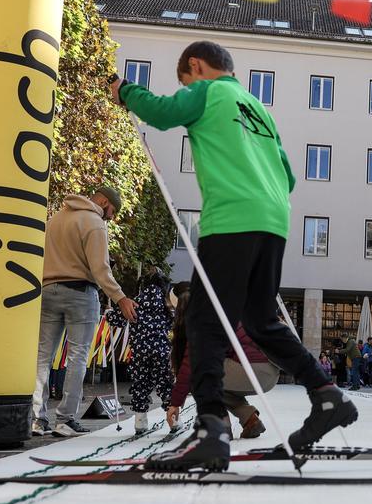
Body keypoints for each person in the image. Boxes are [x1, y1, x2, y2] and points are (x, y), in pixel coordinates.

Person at [112, 40, 356, 469]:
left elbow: (162, 113)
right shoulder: (258, 108)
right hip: (274, 219)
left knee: (203, 322)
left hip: (232, 218)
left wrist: (125, 91)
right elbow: (289, 176)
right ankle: (327, 396)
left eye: (184, 81)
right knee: (262, 320)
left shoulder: (207, 91)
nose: (184, 88)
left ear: (196, 66)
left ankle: (211, 431)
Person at [29, 188, 135, 438]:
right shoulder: (94, 223)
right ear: (104, 202)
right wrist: (120, 298)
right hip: (80, 293)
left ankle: (37, 418)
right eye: (112, 212)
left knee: (43, 356)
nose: (110, 217)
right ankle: (65, 418)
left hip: (48, 289)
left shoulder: (55, 219)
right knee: (78, 356)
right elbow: (101, 269)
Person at [166, 289, 278, 439]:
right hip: (269, 371)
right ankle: (250, 419)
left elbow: (190, 366)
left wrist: (175, 404)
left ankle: (222, 426)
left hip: (252, 367)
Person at [105, 269, 174, 434]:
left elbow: (115, 320)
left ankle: (140, 422)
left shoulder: (135, 302)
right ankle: (174, 421)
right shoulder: (167, 304)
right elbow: (174, 322)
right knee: (165, 385)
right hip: (161, 351)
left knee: (140, 385)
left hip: (140, 351)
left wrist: (109, 313)